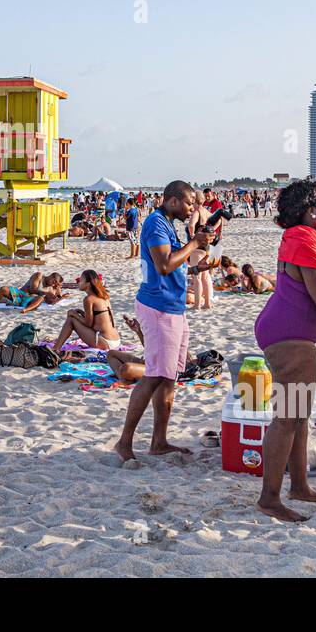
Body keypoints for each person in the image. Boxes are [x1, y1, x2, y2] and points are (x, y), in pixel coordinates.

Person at [253, 178, 316, 522]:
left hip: (288, 332)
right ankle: (269, 499)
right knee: (287, 419)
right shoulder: (303, 243)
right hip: (289, 337)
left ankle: (299, 486)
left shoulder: (307, 239)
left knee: (299, 416)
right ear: (311, 213)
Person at [113, 180, 210, 465]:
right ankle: (124, 442)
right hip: (158, 308)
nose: (193, 208)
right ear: (173, 200)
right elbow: (164, 265)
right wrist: (194, 243)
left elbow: (173, 265)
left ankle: (159, 441)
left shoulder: (167, 223)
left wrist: (195, 267)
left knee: (170, 376)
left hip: (173, 306)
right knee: (154, 375)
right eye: (190, 202)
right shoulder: (156, 224)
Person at [49, 270, 121, 357]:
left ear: (88, 284)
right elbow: (98, 319)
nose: (78, 282)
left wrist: (74, 315)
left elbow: (88, 323)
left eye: (81, 280)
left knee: (71, 319)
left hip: (106, 342)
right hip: (116, 340)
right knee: (73, 316)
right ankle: (56, 348)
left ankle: (55, 349)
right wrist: (81, 313)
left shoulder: (89, 299)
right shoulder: (104, 296)